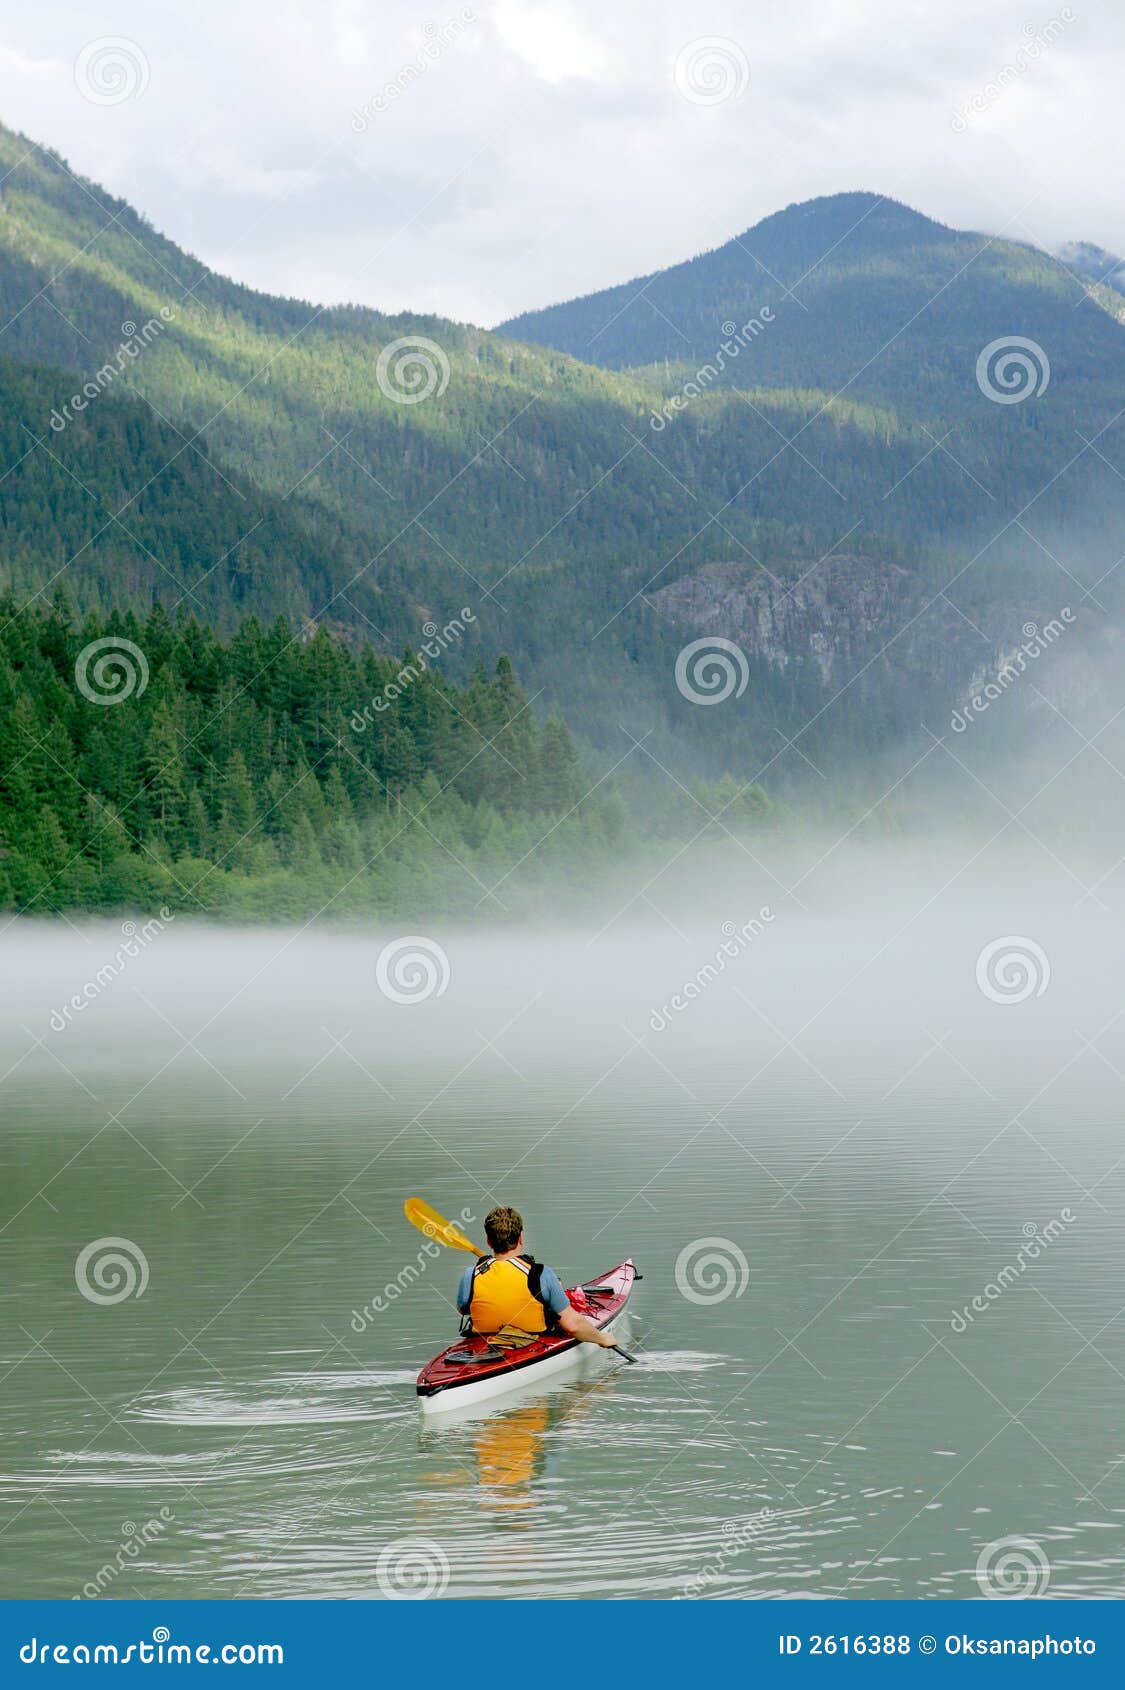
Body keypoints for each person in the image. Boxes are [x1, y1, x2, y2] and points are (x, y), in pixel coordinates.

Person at [456, 1205, 619, 1348]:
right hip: (532, 1343)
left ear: (488, 1241)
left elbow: (463, 1309)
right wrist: (602, 1338)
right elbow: (573, 1326)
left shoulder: (471, 1275)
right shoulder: (541, 1274)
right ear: (520, 1238)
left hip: (482, 1346)